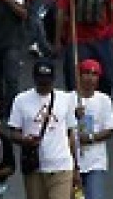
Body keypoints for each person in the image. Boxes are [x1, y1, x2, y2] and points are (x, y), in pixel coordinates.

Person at [7, 60, 78, 199]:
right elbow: (14, 132)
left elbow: (71, 133)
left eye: (47, 81)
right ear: (34, 78)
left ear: (53, 79)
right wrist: (24, 140)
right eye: (41, 80)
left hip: (61, 165)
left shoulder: (66, 99)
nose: (44, 84)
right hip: (35, 166)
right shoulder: (21, 100)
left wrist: (76, 166)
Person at [73, 59, 113, 199]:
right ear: (79, 76)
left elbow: (109, 130)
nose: (90, 78)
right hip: (72, 163)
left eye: (94, 74)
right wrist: (74, 115)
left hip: (95, 162)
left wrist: (91, 138)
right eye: (86, 73)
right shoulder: (69, 99)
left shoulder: (104, 100)